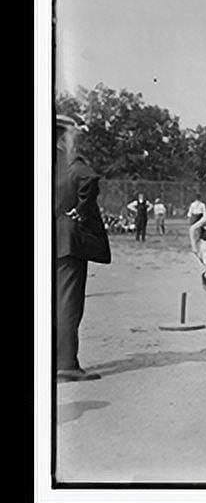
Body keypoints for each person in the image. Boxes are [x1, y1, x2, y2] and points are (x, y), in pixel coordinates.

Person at [55, 114, 111, 382]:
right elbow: (90, 179)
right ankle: (66, 365)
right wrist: (81, 209)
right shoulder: (70, 163)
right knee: (68, 303)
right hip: (67, 241)